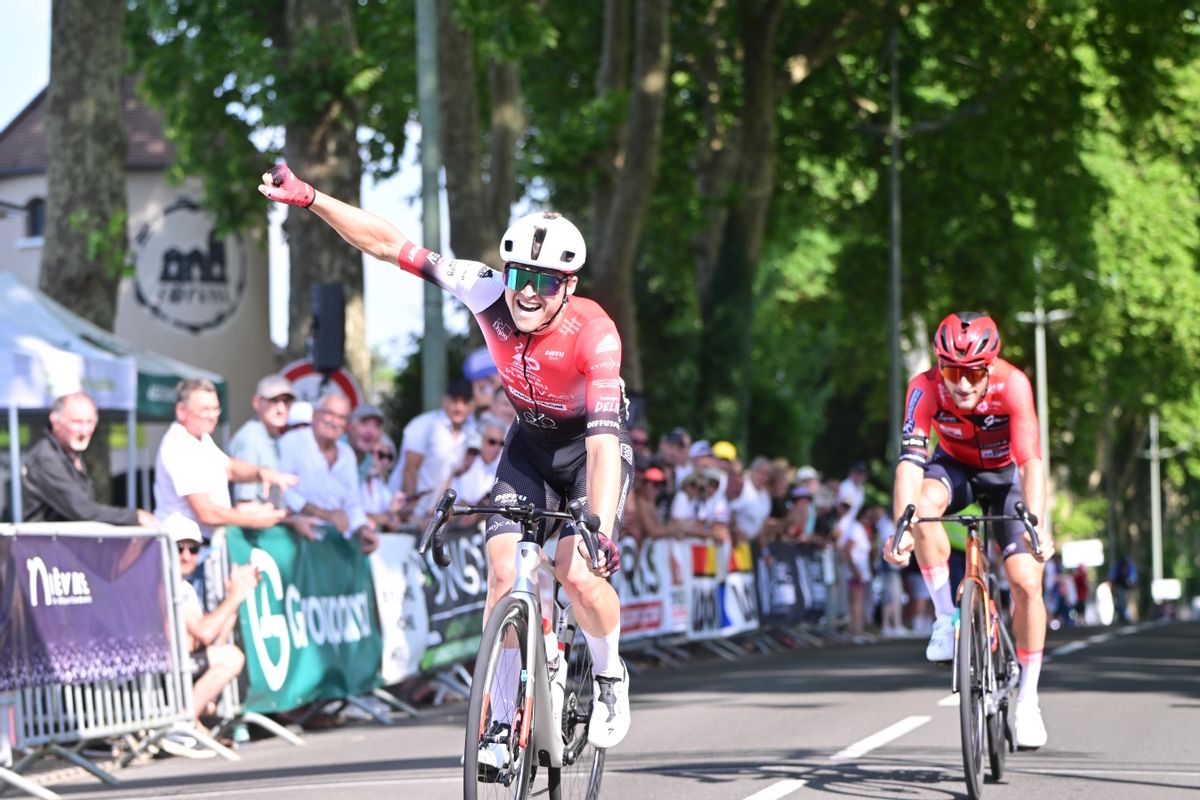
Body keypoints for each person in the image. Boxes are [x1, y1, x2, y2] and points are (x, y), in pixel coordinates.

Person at [259, 164, 632, 751]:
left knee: (578, 574)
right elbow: (389, 245)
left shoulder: (596, 335)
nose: (529, 291)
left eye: (548, 281)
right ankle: (504, 715)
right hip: (528, 450)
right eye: (521, 275)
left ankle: (610, 673)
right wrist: (311, 198)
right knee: (505, 575)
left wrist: (602, 531)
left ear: (571, 285)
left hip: (586, 455)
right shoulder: (484, 289)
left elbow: (604, 446)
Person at [885, 311, 1055, 749]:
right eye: (952, 370)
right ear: (939, 365)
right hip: (954, 466)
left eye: (973, 372)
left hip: (1004, 477)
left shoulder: (1013, 384)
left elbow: (1032, 461)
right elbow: (910, 462)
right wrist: (902, 524)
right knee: (922, 507)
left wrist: (1036, 522)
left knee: (1025, 581)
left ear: (990, 367)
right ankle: (946, 618)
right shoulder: (923, 388)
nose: (961, 383)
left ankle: (1028, 702)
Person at [154, 379, 297, 541]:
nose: (212, 416)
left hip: (205, 547)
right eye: (204, 410)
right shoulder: (180, 445)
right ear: (181, 411)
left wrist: (262, 473)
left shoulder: (201, 438)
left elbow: (228, 468)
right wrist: (257, 520)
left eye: (215, 409)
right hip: (185, 551)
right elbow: (206, 512)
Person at [164, 512, 257, 735]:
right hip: (159, 667)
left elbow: (211, 640)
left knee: (211, 702)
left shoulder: (184, 586)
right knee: (232, 657)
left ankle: (189, 721)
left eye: (193, 548)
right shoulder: (165, 582)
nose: (186, 556)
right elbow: (205, 634)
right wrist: (234, 597)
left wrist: (234, 599)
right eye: (179, 548)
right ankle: (181, 728)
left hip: (178, 663)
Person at [21, 392, 157, 527]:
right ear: (56, 422)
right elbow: (84, 511)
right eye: (77, 422)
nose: (84, 431)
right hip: (43, 547)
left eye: (90, 422)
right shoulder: (46, 457)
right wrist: (135, 517)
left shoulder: (69, 453)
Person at [277, 392, 379, 555]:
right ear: (315, 414)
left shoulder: (347, 454)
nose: (335, 422)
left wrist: (363, 529)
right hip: (298, 542)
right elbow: (282, 491)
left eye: (342, 417)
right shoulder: (292, 442)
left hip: (336, 546)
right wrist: (325, 514)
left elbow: (353, 503)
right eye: (330, 414)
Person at [228, 374, 295, 503]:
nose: (281, 409)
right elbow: (245, 506)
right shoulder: (250, 440)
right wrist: (290, 520)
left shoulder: (271, 437)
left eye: (286, 402)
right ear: (257, 403)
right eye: (274, 400)